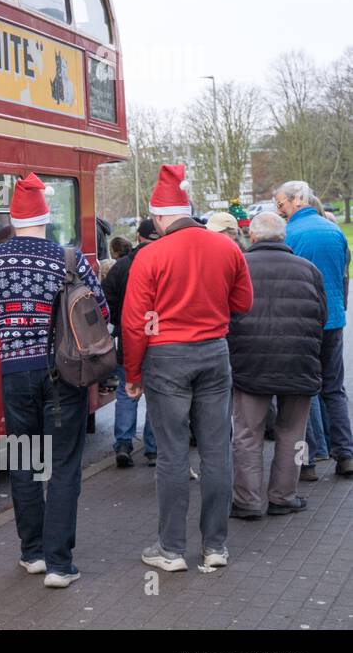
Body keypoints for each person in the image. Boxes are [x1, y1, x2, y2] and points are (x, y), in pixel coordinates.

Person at [0, 172, 108, 589]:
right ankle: (59, 565)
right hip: (63, 372)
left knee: (25, 463)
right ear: (45, 218)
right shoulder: (68, 258)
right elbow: (97, 309)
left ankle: (31, 553)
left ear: (12, 220)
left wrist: (12, 333)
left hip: (15, 372)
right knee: (63, 466)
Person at [123, 165, 253, 572]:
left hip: (166, 358)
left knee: (173, 455)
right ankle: (215, 546)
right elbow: (244, 302)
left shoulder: (150, 255)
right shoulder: (226, 247)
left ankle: (172, 550)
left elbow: (133, 321)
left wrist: (132, 375)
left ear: (159, 217)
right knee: (217, 451)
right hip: (214, 352)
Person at [226, 212, 324, 518]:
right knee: (293, 432)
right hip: (299, 360)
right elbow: (322, 314)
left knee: (246, 433)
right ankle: (283, 495)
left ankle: (247, 500)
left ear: (252, 237)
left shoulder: (239, 267)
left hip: (250, 362)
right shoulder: (308, 269)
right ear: (284, 237)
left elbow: (226, 314)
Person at [275, 180, 353, 479]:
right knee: (334, 389)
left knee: (302, 392)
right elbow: (342, 274)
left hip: (301, 324)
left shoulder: (289, 235)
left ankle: (306, 460)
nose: (280, 210)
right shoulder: (334, 231)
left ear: (297, 200)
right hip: (332, 320)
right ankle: (345, 454)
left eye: (281, 204)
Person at [103, 218, 160, 468]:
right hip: (161, 338)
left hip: (127, 337)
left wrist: (120, 321)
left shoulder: (121, 266)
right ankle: (153, 449)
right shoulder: (165, 261)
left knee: (127, 392)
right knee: (157, 396)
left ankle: (123, 443)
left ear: (138, 237)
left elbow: (105, 302)